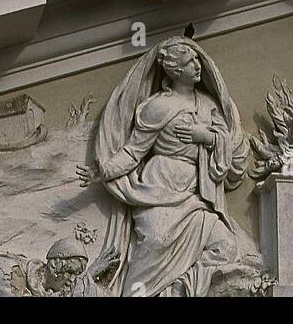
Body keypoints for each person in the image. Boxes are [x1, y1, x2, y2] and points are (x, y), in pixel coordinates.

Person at [79, 37, 247, 297]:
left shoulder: (207, 105)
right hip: (159, 187)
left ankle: (180, 290)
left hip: (195, 194)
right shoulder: (157, 107)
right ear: (176, 70)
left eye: (197, 60)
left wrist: (205, 136)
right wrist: (103, 171)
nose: (197, 65)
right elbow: (133, 151)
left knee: (224, 246)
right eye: (190, 61)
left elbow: (224, 143)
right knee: (155, 241)